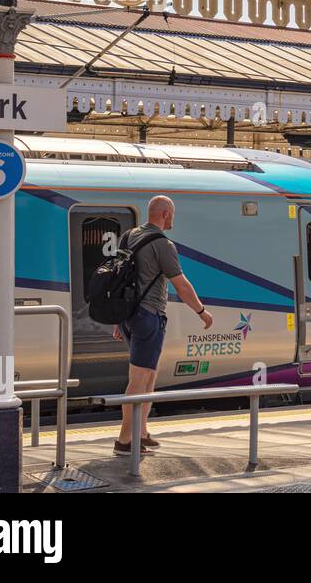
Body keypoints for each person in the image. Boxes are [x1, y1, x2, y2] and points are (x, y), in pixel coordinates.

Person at [111, 195, 212, 456]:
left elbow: (117, 279)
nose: (173, 218)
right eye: (173, 214)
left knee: (149, 375)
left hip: (129, 316)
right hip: (148, 315)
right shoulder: (162, 244)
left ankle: (141, 432)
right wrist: (201, 311)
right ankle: (124, 440)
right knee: (138, 379)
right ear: (165, 214)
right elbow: (181, 284)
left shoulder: (128, 237)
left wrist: (118, 318)